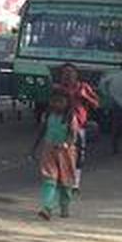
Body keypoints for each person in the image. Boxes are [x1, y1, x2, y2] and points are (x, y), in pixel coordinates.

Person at [30, 91, 79, 220]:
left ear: (67, 103)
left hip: (66, 153)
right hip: (49, 150)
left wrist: (66, 144)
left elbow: (73, 135)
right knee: (49, 179)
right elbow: (42, 131)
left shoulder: (70, 117)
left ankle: (64, 205)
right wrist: (34, 148)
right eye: (54, 101)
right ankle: (47, 207)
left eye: (60, 101)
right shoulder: (48, 116)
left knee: (65, 181)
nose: (57, 104)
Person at [54, 63, 99, 184]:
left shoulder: (83, 87)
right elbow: (51, 107)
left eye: (70, 72)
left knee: (79, 153)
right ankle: (60, 176)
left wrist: (85, 97)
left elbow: (96, 104)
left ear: (76, 74)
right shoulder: (58, 89)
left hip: (79, 125)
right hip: (61, 125)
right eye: (65, 73)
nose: (68, 75)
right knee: (59, 151)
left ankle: (76, 180)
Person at [98, 59, 122, 154]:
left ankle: (115, 147)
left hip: (115, 103)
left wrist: (107, 95)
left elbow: (101, 85)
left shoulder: (113, 76)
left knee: (116, 126)